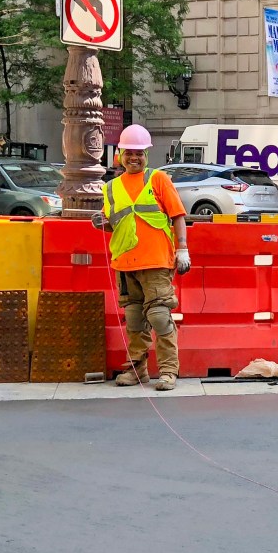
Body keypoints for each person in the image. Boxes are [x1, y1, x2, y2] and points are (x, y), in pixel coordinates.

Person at [93, 125, 191, 391]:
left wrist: (182, 249)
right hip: (125, 262)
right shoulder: (111, 188)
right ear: (120, 155)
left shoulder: (158, 179)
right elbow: (115, 223)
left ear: (146, 154)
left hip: (156, 261)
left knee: (159, 316)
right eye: (129, 153)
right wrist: (101, 223)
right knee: (135, 318)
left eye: (139, 153)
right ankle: (138, 370)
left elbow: (178, 215)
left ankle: (169, 371)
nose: (133, 158)